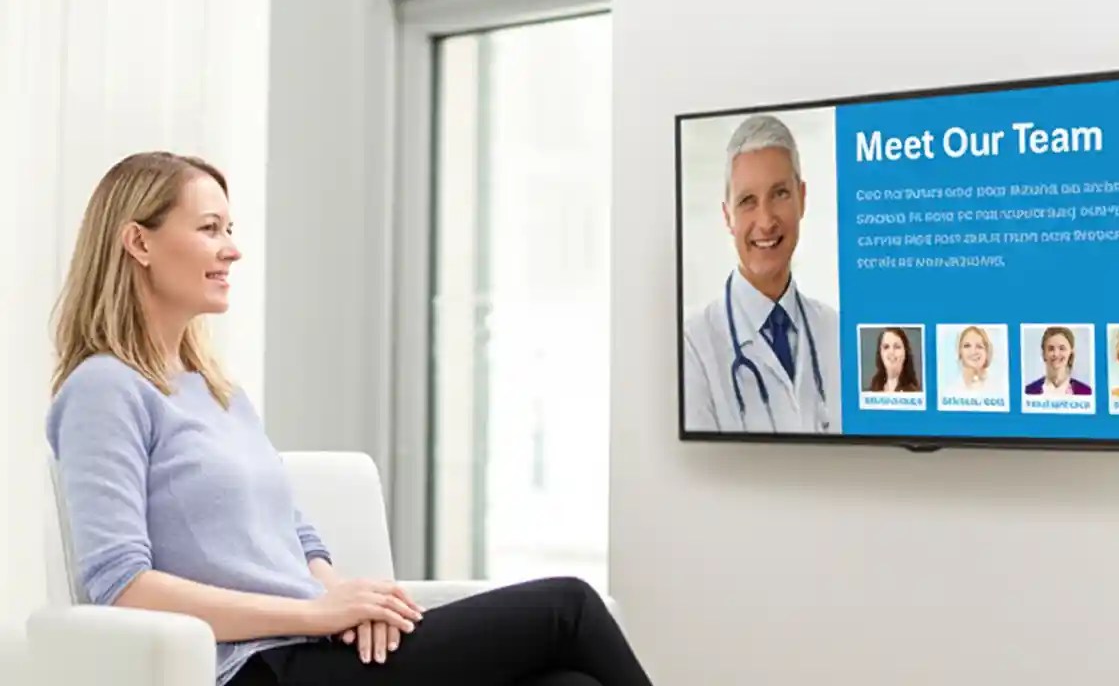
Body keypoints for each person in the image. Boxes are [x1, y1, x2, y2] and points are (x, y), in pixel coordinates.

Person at [46, 152, 654, 686]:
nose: (233, 247)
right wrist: (313, 614)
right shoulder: (104, 389)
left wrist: (344, 596)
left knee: (569, 683)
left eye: (230, 228)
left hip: (315, 648)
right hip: (254, 670)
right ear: (139, 242)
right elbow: (122, 586)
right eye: (210, 229)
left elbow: (297, 533)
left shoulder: (218, 392)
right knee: (569, 606)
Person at [682, 114, 841, 434]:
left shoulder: (838, 332)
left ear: (802, 198)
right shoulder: (691, 346)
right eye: (747, 201)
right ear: (728, 216)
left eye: (780, 194)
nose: (766, 220)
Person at [1024, 326, 1092, 395]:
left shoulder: (1086, 392)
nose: (1056, 354)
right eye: (1051, 349)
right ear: (1043, 353)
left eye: (1062, 348)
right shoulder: (1028, 391)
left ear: (1071, 352)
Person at [865, 327, 921, 392]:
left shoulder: (914, 393)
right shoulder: (873, 389)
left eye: (897, 347)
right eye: (886, 347)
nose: (891, 352)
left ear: (905, 352)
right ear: (880, 353)